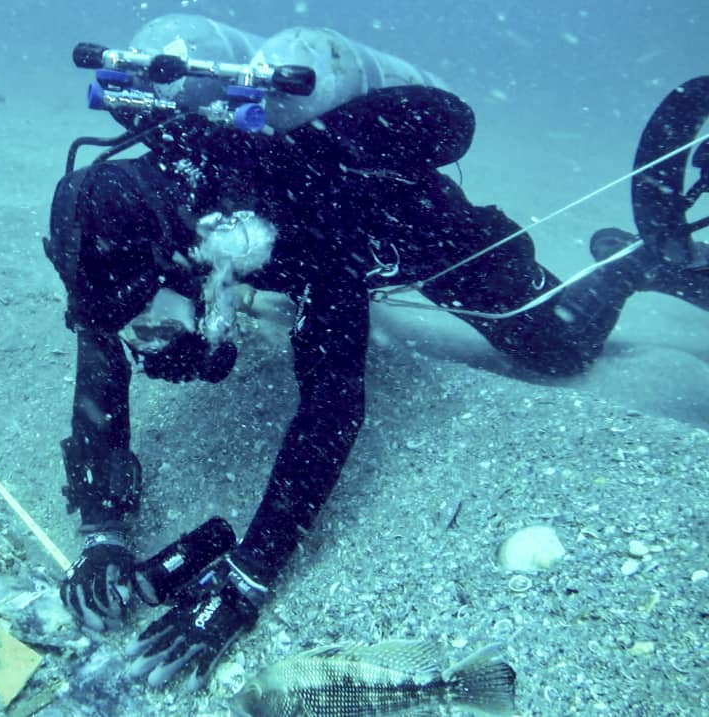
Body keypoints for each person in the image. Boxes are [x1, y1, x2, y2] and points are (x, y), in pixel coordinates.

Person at [44, 14, 708, 691]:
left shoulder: (300, 213)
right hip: (265, 248)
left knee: (560, 345)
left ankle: (636, 263)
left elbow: (332, 404)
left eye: (148, 323)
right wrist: (104, 531)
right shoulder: (118, 229)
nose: (141, 342)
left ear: (185, 262)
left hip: (413, 224)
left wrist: (249, 575)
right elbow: (99, 353)